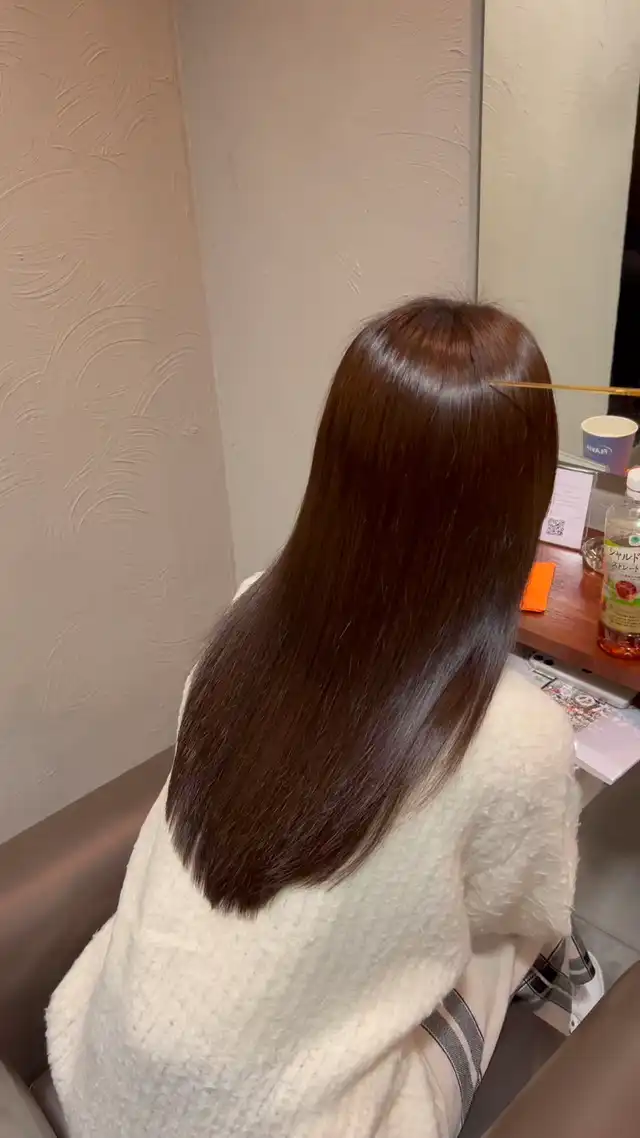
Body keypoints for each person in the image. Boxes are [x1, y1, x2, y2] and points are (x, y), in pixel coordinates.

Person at [47, 300, 584, 1138]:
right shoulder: (518, 735)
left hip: (108, 1081)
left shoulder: (247, 618)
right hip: (287, 1124)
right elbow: (527, 909)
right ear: (521, 503)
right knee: (514, 943)